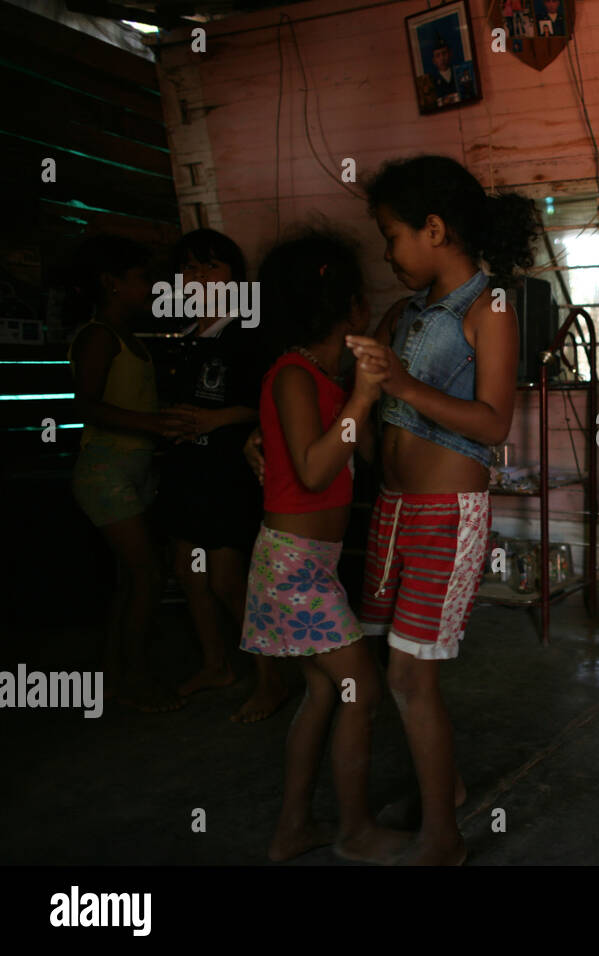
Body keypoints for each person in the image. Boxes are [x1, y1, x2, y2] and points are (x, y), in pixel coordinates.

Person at [345, 155, 541, 865]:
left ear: (435, 228)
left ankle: (442, 839)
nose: (388, 253)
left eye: (392, 236)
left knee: (408, 675)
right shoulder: (409, 313)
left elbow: (492, 424)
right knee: (384, 665)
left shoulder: (489, 308)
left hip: (446, 515)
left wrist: (399, 380)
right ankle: (445, 789)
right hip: (392, 510)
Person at [239, 229, 407, 863]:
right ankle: (356, 829)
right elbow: (313, 470)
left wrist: (365, 394)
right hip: (293, 567)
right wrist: (362, 399)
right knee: (358, 690)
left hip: (310, 565)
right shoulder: (292, 376)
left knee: (321, 692)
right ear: (351, 307)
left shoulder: (318, 378)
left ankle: (292, 829)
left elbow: (355, 455)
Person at [155, 229, 289, 722]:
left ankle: (270, 680)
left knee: (228, 581)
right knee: (189, 574)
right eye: (189, 269)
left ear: (234, 277)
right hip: (188, 472)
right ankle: (216, 665)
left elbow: (273, 404)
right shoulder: (189, 336)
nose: (198, 278)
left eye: (210, 267)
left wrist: (217, 419)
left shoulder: (248, 334)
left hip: (228, 477)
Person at [67, 235, 196, 712]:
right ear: (112, 283)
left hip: (130, 469)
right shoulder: (98, 335)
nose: (151, 286)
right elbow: (86, 406)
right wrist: (154, 423)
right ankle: (133, 679)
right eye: (141, 278)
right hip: (105, 470)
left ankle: (115, 674)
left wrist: (162, 418)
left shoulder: (126, 338)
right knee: (147, 574)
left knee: (130, 579)